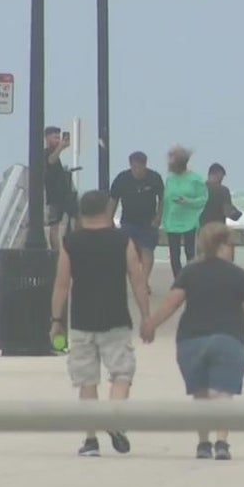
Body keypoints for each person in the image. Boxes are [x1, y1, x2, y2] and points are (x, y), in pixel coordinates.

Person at [140, 222, 244, 460]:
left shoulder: (190, 272)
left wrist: (151, 325)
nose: (234, 249)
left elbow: (171, 304)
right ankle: (222, 443)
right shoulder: (238, 275)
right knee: (223, 394)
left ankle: (203, 444)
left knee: (201, 394)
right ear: (221, 245)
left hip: (191, 341)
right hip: (229, 340)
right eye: (231, 244)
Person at [51, 189, 152, 457]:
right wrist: (146, 317)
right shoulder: (122, 241)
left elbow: (62, 284)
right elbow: (137, 279)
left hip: (82, 322)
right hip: (116, 319)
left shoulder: (70, 242)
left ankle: (91, 440)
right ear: (107, 211)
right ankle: (114, 420)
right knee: (121, 374)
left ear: (82, 213)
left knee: (87, 381)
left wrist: (56, 320)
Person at [108, 151, 165, 283]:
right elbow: (113, 200)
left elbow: (162, 200)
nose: (138, 170)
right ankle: (137, 279)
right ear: (131, 165)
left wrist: (159, 217)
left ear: (145, 165)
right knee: (129, 253)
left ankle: (143, 281)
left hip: (148, 222)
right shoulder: (122, 178)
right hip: (128, 222)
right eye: (135, 167)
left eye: (140, 166)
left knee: (147, 250)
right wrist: (109, 219)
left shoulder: (154, 177)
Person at [161, 145, 208, 279]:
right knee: (174, 255)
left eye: (172, 160)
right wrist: (163, 219)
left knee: (190, 253)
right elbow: (166, 201)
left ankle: (192, 279)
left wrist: (187, 201)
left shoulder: (196, 179)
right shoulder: (170, 179)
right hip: (172, 221)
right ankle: (179, 281)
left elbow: (203, 199)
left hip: (190, 222)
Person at [44, 126, 76, 250]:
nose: (57, 140)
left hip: (65, 194)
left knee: (76, 217)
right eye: (55, 137)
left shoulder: (55, 154)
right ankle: (55, 252)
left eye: (59, 137)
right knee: (54, 226)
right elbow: (50, 161)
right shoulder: (46, 152)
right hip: (53, 196)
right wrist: (61, 147)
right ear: (47, 138)